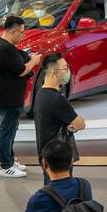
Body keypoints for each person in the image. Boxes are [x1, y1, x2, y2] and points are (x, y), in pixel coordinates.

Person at [0, 15, 42, 178]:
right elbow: (21, 70)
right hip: (7, 98)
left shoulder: (7, 47)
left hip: (11, 97)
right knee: (7, 132)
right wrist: (33, 61)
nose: (22, 36)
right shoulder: (4, 48)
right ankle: (6, 166)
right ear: (13, 31)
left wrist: (28, 59)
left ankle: (10, 160)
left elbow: (20, 60)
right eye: (21, 33)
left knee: (11, 130)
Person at [33, 53, 85, 184]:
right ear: (54, 73)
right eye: (65, 68)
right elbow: (80, 124)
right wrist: (75, 123)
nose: (68, 72)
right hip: (58, 158)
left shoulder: (41, 94)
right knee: (60, 192)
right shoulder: (56, 99)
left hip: (47, 155)